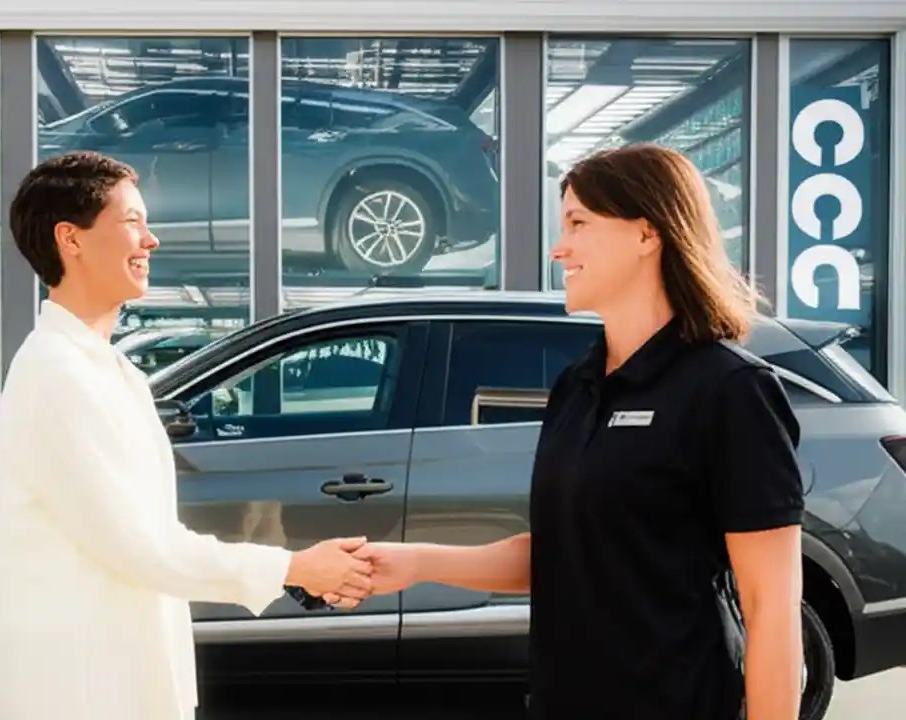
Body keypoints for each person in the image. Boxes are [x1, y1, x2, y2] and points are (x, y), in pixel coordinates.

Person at [342, 144, 805, 719]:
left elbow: (772, 607)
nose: (559, 248)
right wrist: (413, 563)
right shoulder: (577, 385)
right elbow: (564, 556)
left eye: (578, 223)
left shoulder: (730, 391)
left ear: (647, 233)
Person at [0, 150, 374, 720]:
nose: (151, 240)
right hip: (80, 691)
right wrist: (295, 567)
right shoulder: (56, 375)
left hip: (119, 676)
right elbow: (140, 547)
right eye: (132, 222)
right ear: (72, 239)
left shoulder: (108, 370)